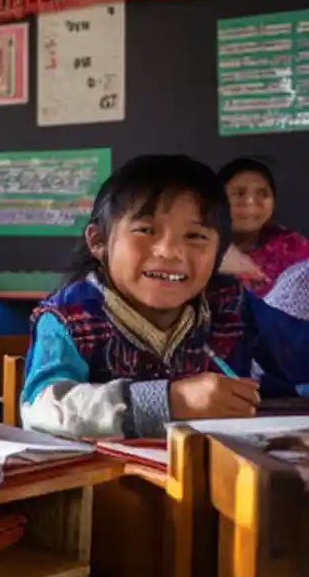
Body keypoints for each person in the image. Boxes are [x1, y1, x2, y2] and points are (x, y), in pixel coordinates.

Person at [20, 155, 309, 440]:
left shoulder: (229, 303)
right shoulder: (71, 315)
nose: (170, 252)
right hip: (106, 471)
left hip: (214, 466)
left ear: (220, 253)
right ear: (98, 241)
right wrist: (170, 401)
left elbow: (298, 350)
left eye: (195, 236)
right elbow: (42, 411)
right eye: (146, 230)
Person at [217, 157, 309, 296]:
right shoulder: (202, 250)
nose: (251, 202)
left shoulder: (293, 247)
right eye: (239, 193)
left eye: (262, 193)